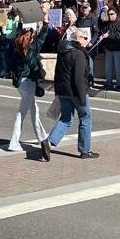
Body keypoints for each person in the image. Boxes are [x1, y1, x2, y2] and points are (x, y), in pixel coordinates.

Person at [42, 27, 98, 161]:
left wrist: (58, 90)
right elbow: (79, 78)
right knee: (85, 118)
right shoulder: (78, 54)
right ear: (78, 38)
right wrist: (82, 96)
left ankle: (48, 142)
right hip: (76, 91)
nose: (87, 41)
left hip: (63, 90)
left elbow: (58, 72)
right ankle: (85, 150)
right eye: (85, 38)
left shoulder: (63, 51)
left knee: (66, 118)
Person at [8, 21, 51, 152]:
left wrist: (21, 23)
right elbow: (43, 35)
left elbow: (19, 34)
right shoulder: (33, 48)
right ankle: (14, 142)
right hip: (29, 83)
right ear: (31, 37)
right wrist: (45, 23)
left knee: (34, 111)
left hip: (20, 82)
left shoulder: (17, 46)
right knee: (21, 113)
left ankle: (42, 137)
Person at [100, 7, 120, 91]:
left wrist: (109, 35)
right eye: (109, 14)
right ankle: (109, 83)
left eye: (112, 14)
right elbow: (104, 30)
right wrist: (103, 35)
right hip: (109, 48)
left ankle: (119, 84)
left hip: (118, 48)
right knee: (108, 67)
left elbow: (119, 35)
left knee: (118, 67)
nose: (110, 16)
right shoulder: (108, 23)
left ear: (116, 14)